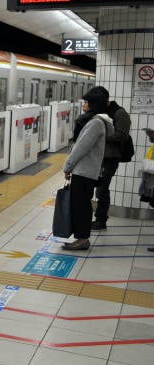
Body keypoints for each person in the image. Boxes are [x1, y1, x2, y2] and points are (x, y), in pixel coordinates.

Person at [62, 90, 113, 250]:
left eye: (86, 102)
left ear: (93, 105)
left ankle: (82, 239)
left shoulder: (95, 123)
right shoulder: (95, 121)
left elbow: (81, 148)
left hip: (85, 172)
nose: (83, 104)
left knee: (81, 206)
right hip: (85, 171)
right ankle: (81, 237)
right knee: (81, 205)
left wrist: (67, 166)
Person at [85, 87, 130, 231]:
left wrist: (100, 135)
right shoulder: (100, 112)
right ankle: (91, 218)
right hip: (97, 157)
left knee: (102, 190)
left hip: (110, 158)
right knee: (92, 188)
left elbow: (122, 136)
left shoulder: (120, 113)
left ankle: (101, 220)